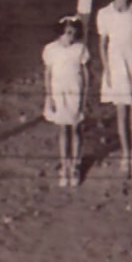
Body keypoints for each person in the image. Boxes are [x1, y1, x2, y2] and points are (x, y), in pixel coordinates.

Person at [95, 0, 132, 179]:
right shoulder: (104, 14)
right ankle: (125, 156)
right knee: (121, 113)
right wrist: (107, 69)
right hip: (117, 69)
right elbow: (102, 45)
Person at [40, 16, 89, 188]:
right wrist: (49, 96)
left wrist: (85, 96)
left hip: (75, 92)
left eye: (74, 34)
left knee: (76, 129)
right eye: (68, 33)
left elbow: (86, 75)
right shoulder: (51, 50)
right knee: (63, 129)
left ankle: (75, 164)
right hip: (58, 93)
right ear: (61, 32)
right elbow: (48, 74)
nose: (70, 37)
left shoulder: (80, 49)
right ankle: (64, 164)